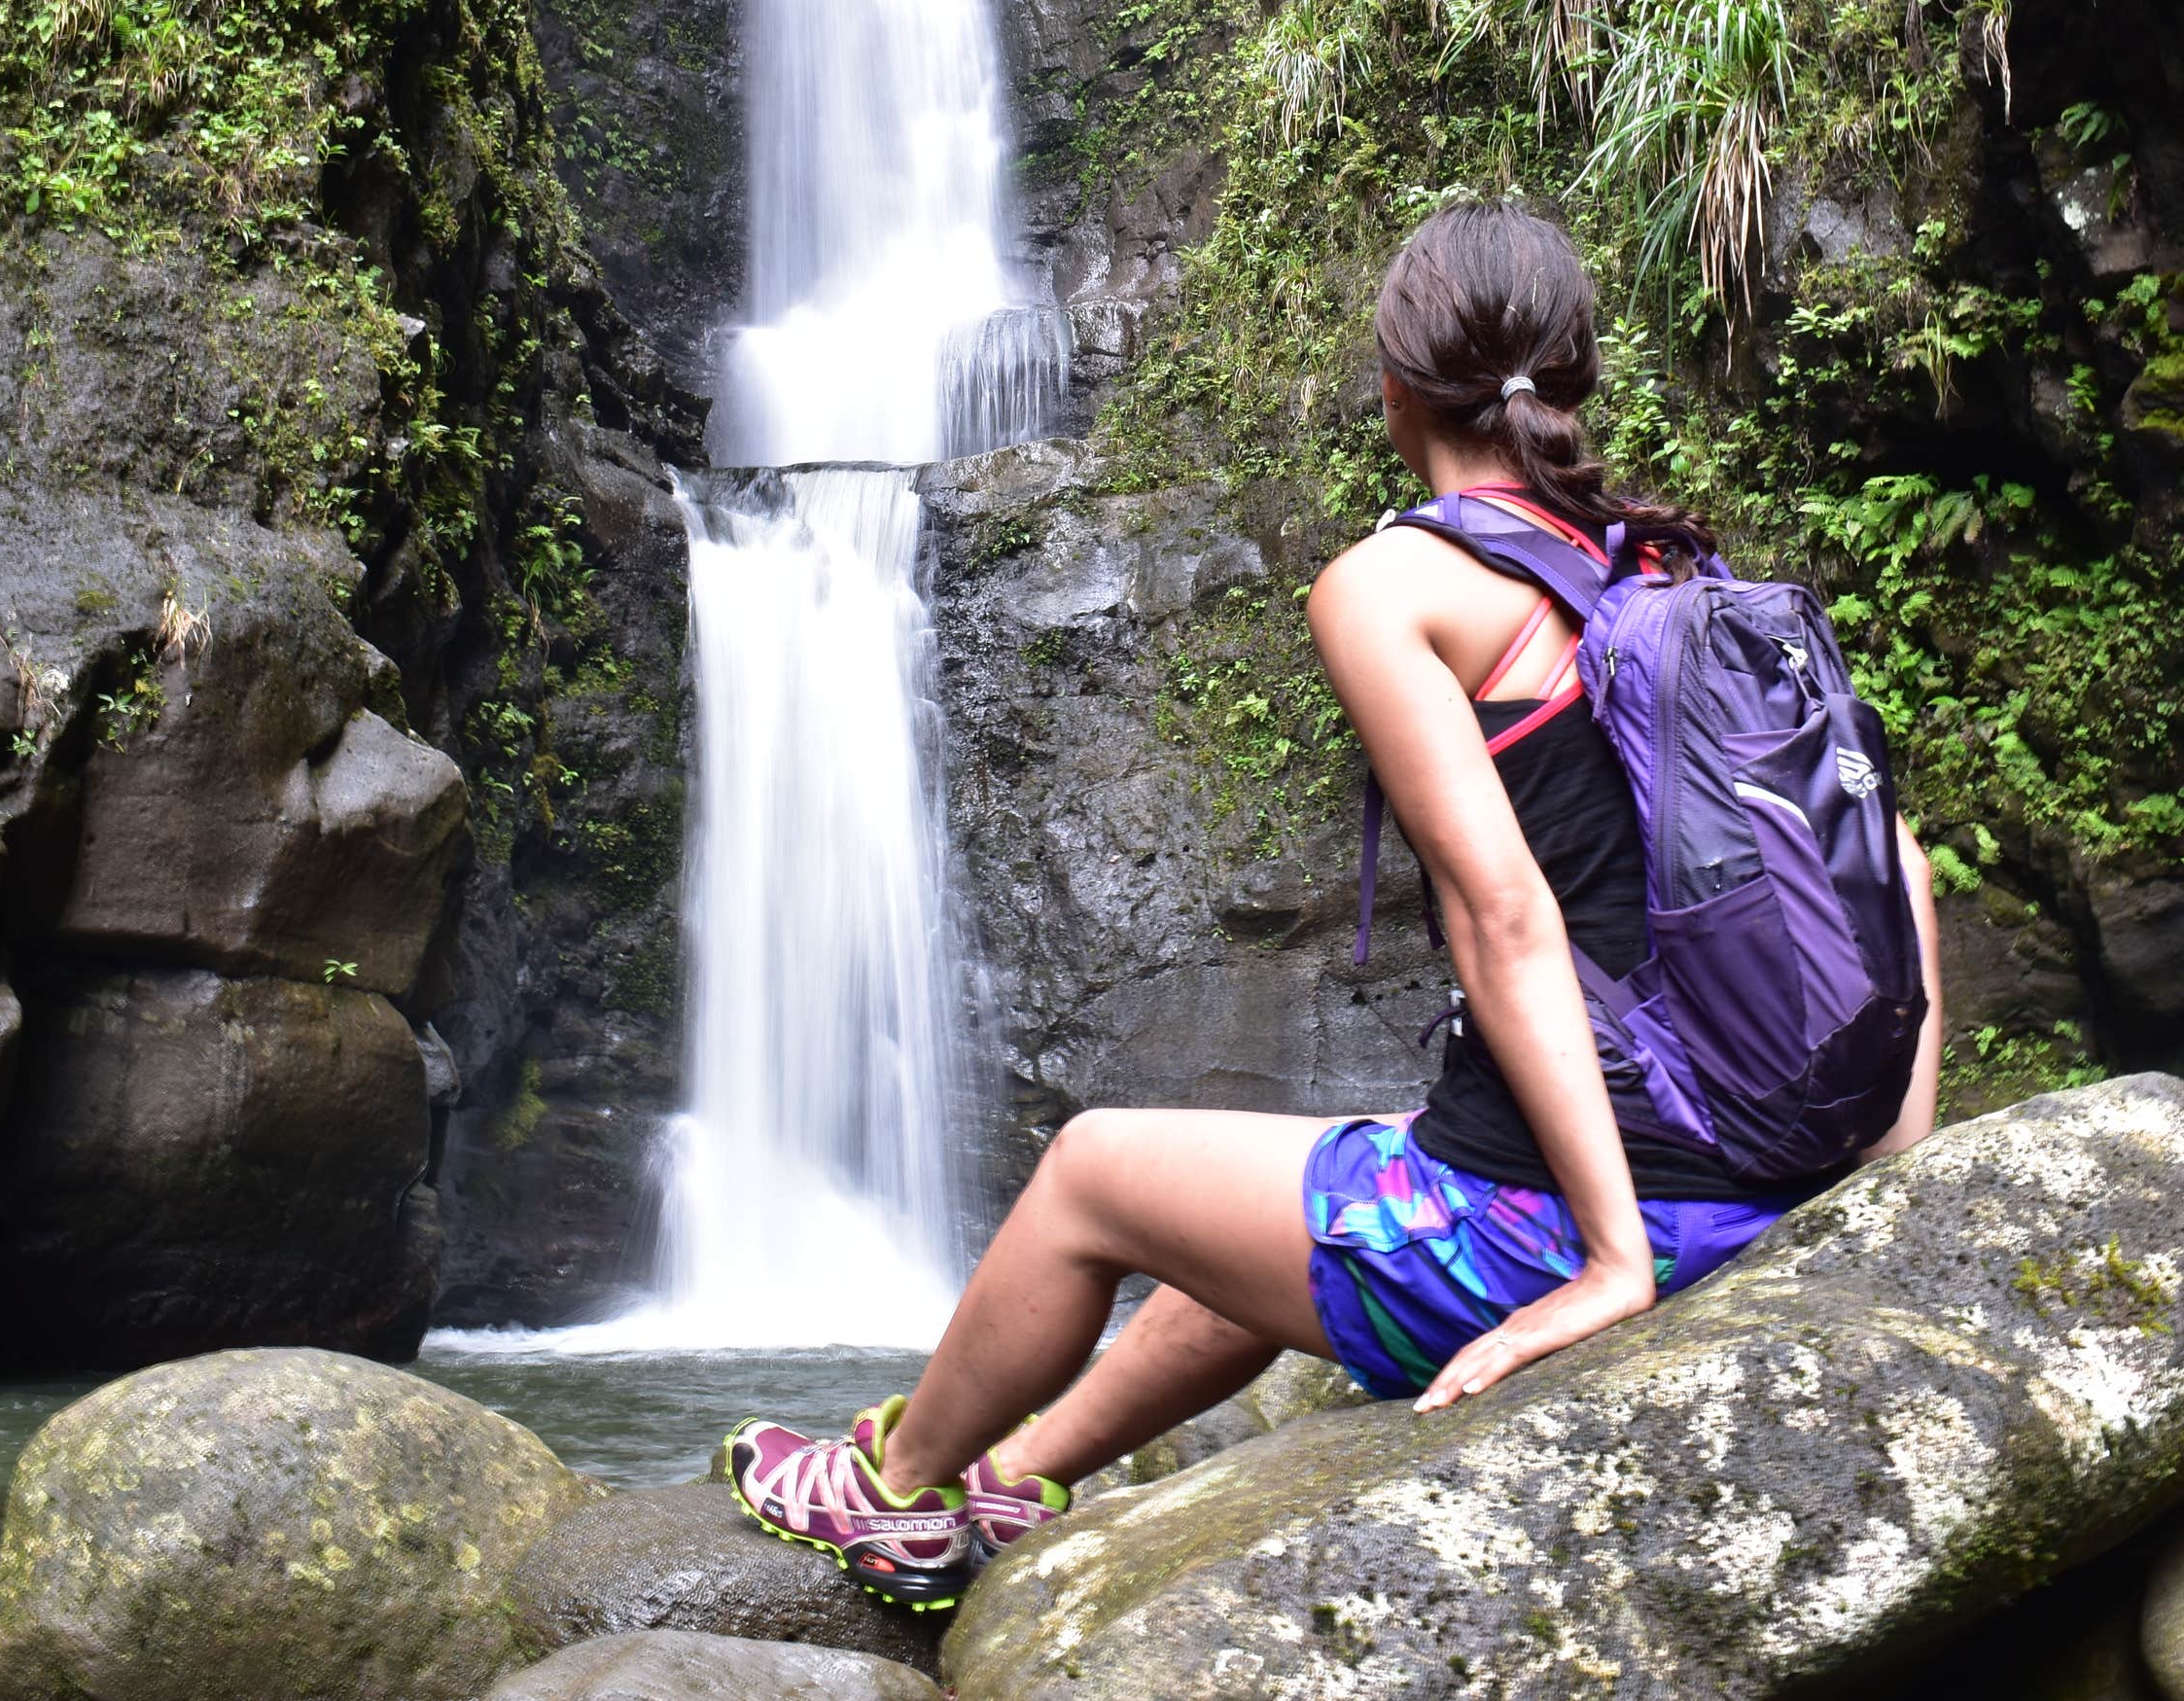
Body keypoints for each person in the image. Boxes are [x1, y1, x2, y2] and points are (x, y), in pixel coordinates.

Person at [722, 200, 1947, 1611]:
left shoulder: (1396, 586)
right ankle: (1014, 1485)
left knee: (1090, 1173)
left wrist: (1611, 1262)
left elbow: (1504, 922)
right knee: (1256, 1220)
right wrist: (1874, 1176)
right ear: (1576, 377)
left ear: (1393, 389)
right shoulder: (1667, 571)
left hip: (1560, 1222)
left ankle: (889, 1491)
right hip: (1759, 1182)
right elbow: (1891, 864)